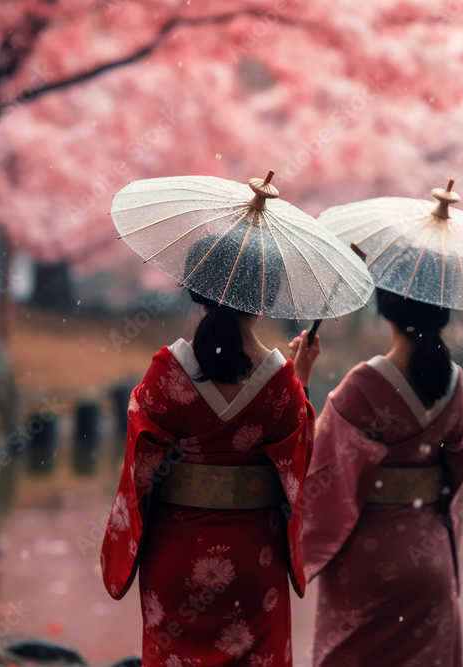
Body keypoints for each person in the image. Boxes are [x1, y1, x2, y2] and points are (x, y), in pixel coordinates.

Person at [100, 236, 320, 667]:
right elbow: (301, 461)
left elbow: (139, 467)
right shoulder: (282, 382)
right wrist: (304, 379)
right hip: (253, 563)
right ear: (265, 298)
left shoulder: (165, 372)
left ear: (197, 289)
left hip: (176, 558)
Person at [298, 289, 463, 667]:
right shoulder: (454, 385)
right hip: (430, 553)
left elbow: (317, 467)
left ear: (387, 310)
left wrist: (300, 381)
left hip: (369, 556)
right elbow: (461, 457)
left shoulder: (363, 385)